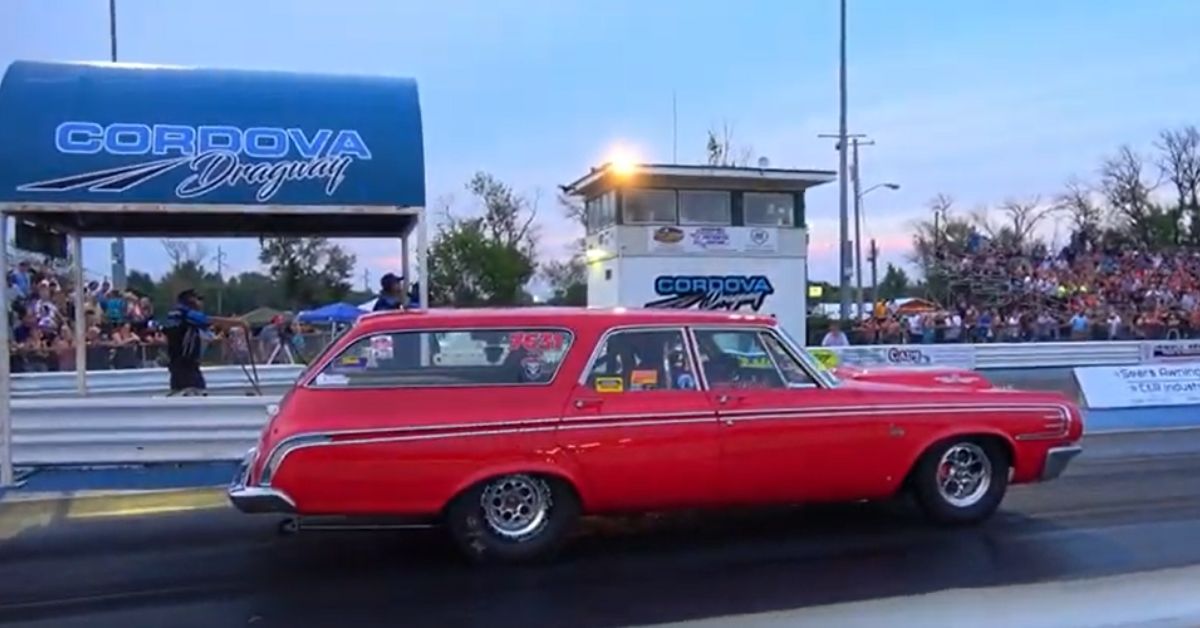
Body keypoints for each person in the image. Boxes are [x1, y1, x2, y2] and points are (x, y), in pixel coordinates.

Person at [162, 289, 245, 396]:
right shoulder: (186, 314)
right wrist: (238, 322)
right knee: (198, 394)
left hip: (175, 365)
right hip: (188, 366)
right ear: (190, 300)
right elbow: (206, 320)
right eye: (199, 299)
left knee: (179, 393)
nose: (201, 303)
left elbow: (209, 335)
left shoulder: (173, 315)